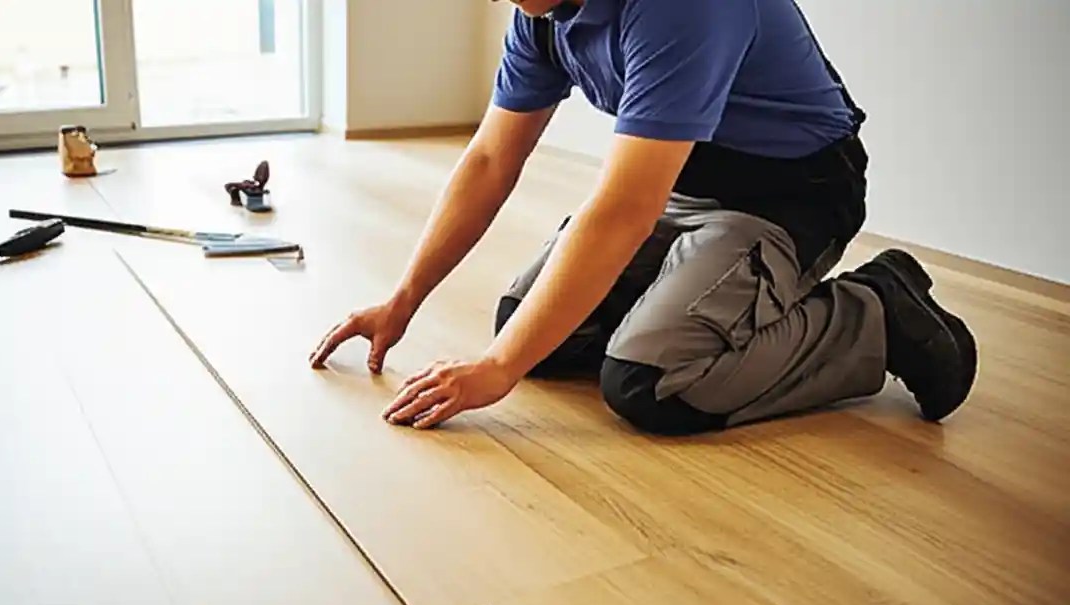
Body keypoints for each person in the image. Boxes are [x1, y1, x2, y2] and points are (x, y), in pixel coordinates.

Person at [309, 0, 977, 435]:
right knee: (531, 327)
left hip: (789, 194)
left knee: (651, 384)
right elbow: (489, 160)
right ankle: (698, 304)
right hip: (683, 185)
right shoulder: (540, 16)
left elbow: (624, 208)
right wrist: (404, 299)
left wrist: (497, 370)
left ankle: (877, 312)